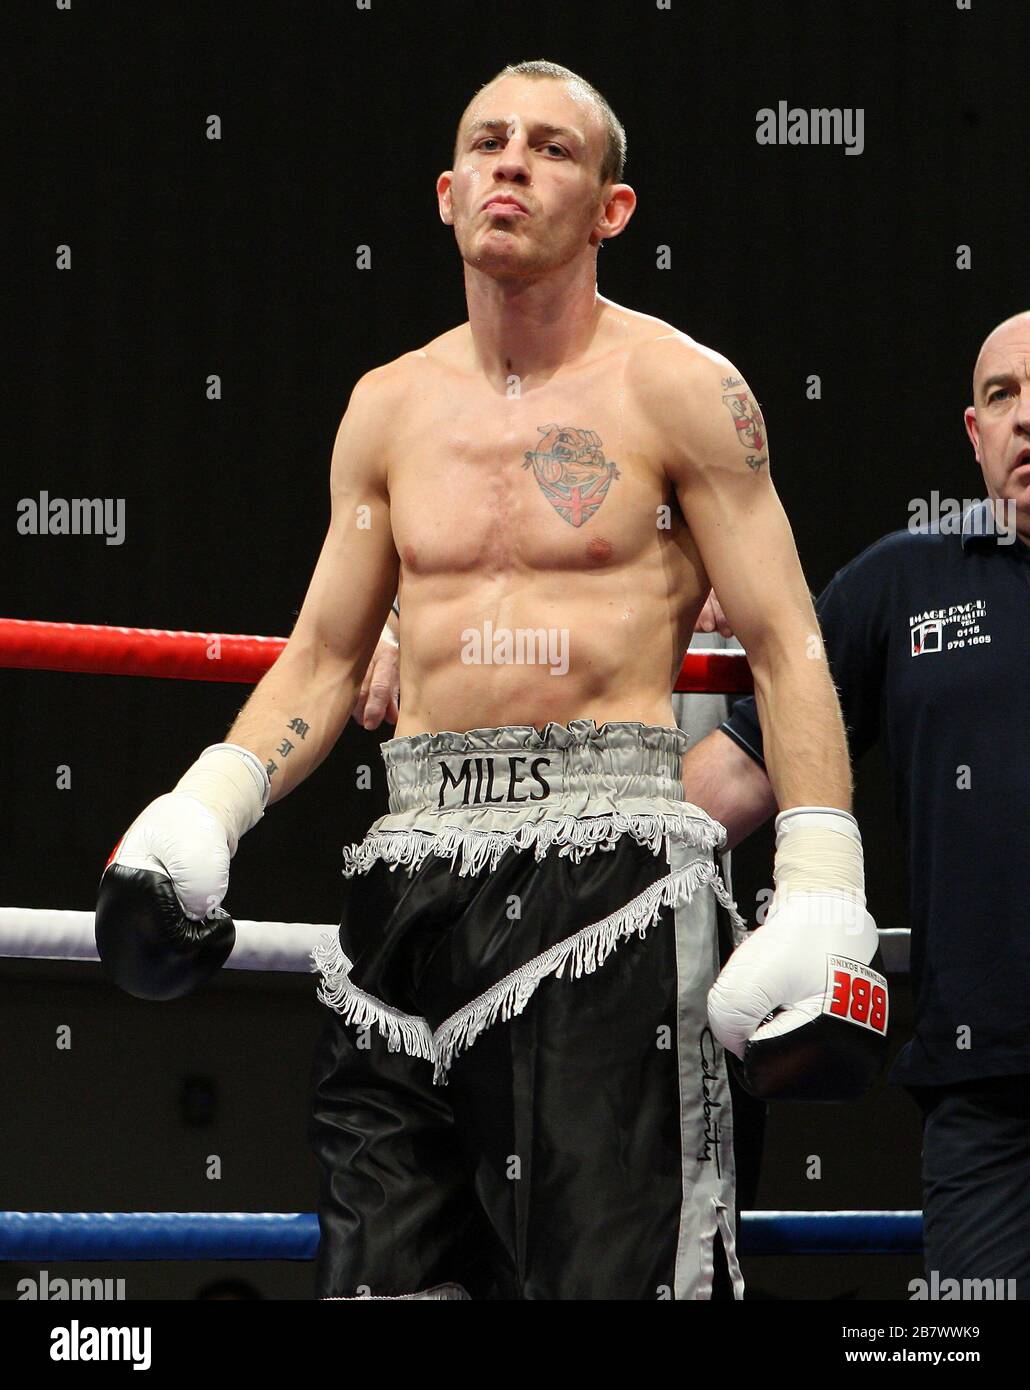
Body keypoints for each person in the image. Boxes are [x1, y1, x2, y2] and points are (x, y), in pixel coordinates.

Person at [94, 60, 886, 1301]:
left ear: (612, 209)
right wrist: (204, 810)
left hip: (611, 890)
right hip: (405, 885)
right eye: (489, 141)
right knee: (386, 1284)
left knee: (616, 1283)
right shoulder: (387, 407)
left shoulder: (681, 387)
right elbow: (323, 654)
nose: (513, 162)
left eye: (552, 147)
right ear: (449, 191)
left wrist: (822, 883)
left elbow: (786, 641)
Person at [681, 310, 1030, 1297]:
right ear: (973, 435)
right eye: (1000, 397)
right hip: (987, 1100)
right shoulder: (904, 583)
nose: (1024, 420)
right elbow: (741, 773)